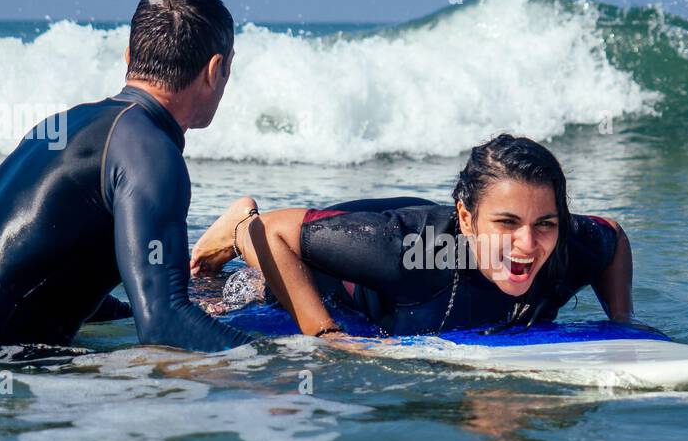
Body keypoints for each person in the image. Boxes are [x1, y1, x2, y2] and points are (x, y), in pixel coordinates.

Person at [0, 0, 248, 353]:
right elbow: (165, 328)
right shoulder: (152, 153)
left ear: (129, 57)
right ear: (215, 70)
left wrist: (140, 311)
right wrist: (281, 364)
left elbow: (48, 277)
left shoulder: (64, 125)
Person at [191, 134, 635, 337]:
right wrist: (326, 335)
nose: (527, 243)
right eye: (506, 223)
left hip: (406, 220)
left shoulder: (566, 247)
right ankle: (232, 223)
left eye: (546, 223)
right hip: (354, 243)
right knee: (249, 285)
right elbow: (271, 233)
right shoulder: (413, 254)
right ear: (466, 218)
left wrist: (621, 324)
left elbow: (613, 237)